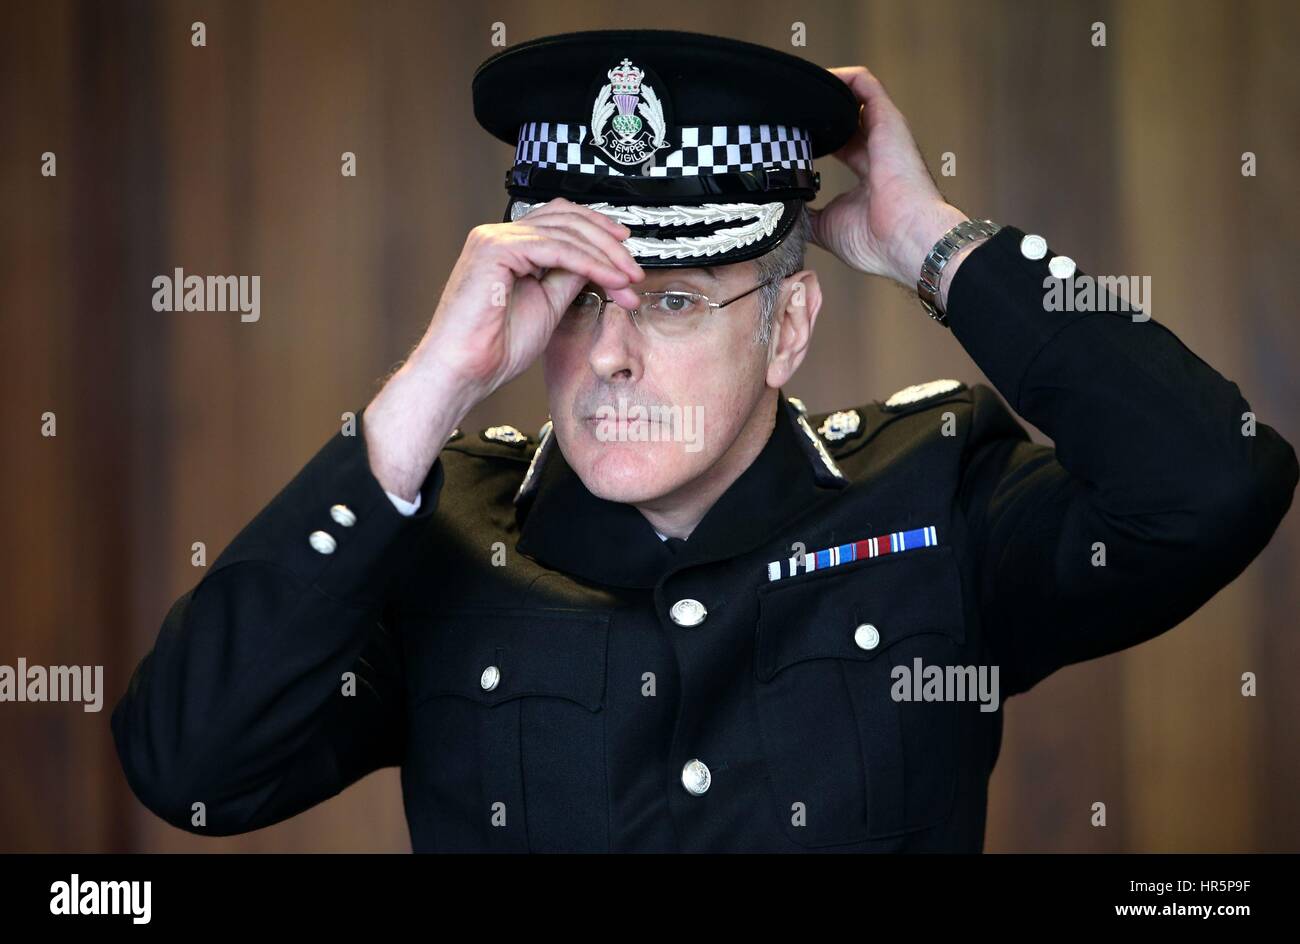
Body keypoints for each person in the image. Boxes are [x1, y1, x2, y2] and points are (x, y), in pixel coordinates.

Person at [112, 29, 1297, 852]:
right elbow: (190, 767)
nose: (612, 354)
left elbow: (1209, 478)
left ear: (787, 325)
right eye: (579, 295)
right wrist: (425, 393)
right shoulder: (444, 535)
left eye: (673, 298)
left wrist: (936, 244)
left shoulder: (932, 498)